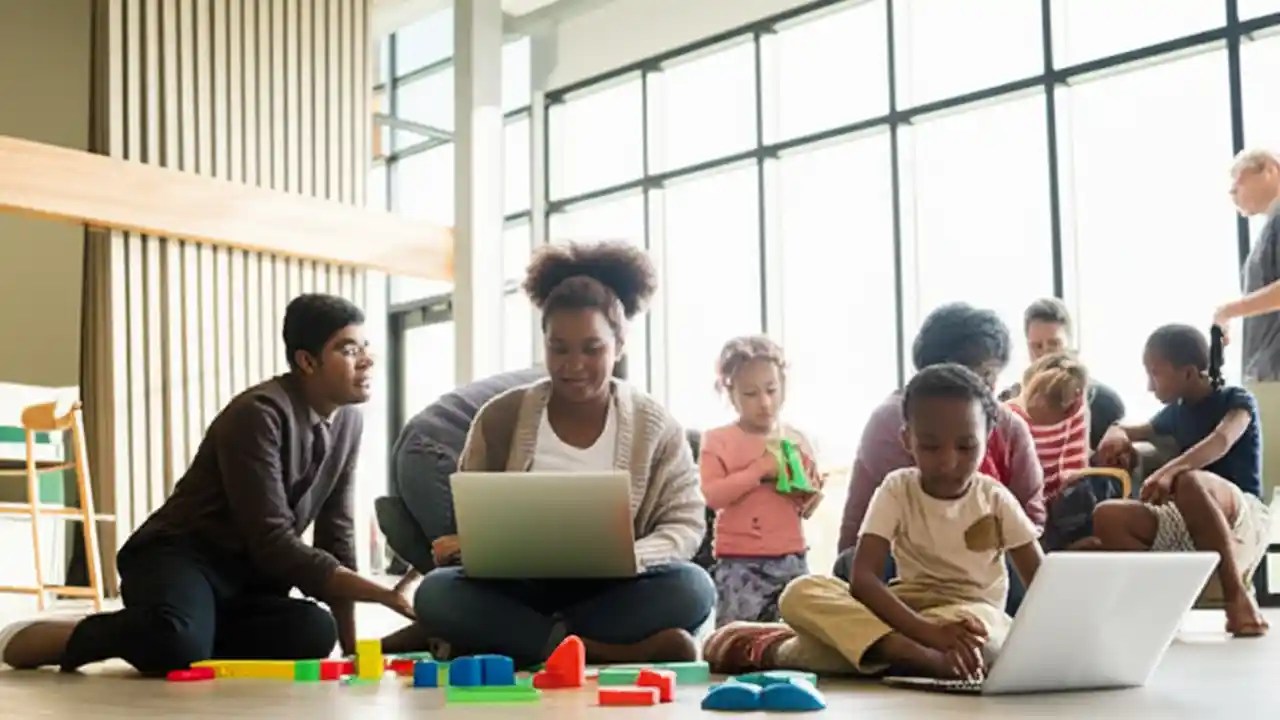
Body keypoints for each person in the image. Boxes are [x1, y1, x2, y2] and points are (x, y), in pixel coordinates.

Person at [0, 294, 414, 674]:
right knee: (177, 643)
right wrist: (382, 593)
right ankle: (96, 632)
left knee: (313, 633)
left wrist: (349, 644)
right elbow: (272, 540)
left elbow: (335, 534)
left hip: (247, 579)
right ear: (307, 361)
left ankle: (185, 625)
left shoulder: (349, 422)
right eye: (348, 348)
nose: (367, 360)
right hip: (180, 558)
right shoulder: (259, 414)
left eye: (365, 346)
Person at [399, 241, 715, 668]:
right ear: (544, 343)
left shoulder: (654, 423)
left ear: (618, 345)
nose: (574, 364)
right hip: (521, 586)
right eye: (559, 347)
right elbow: (477, 513)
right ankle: (597, 649)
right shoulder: (502, 417)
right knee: (437, 592)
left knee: (693, 588)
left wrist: (632, 557)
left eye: (592, 348)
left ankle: (520, 640)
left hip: (616, 588)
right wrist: (467, 546)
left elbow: (685, 522)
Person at [702, 364, 1043, 678]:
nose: (948, 461)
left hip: (969, 617)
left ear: (988, 439)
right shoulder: (898, 487)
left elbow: (1042, 581)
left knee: (987, 645)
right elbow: (863, 579)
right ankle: (911, 654)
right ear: (907, 440)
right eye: (930, 446)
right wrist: (925, 636)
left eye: (966, 447)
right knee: (800, 591)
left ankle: (776, 649)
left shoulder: (994, 498)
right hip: (905, 612)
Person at [1084, 324, 1269, 637]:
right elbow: (1131, 430)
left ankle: (1237, 598)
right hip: (1190, 517)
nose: (1148, 385)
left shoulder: (1236, 400)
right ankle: (1163, 607)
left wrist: (1171, 470)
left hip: (1243, 516)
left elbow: (1221, 440)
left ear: (1187, 373)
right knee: (1107, 515)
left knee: (1189, 482)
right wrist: (1116, 431)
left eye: (1155, 373)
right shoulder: (1174, 413)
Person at [837, 303, 1046, 558]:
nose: (989, 388)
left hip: (989, 565)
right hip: (900, 559)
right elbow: (917, 519)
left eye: (991, 376)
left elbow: (1031, 518)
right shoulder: (893, 419)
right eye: (981, 375)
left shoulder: (1008, 426)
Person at [700, 335, 822, 626]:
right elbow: (712, 495)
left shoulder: (795, 439)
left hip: (791, 555)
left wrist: (808, 490)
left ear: (784, 387)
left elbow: (805, 506)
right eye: (750, 394)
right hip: (739, 561)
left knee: (797, 632)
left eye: (771, 390)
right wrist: (758, 471)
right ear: (731, 394)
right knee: (737, 637)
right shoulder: (719, 440)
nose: (765, 403)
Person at [380, 367, 546, 576]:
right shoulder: (563, 393)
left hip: (416, 445)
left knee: (449, 565)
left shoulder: (552, 380)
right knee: (468, 572)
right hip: (439, 450)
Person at [1000, 298, 1125, 449]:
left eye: (1054, 344)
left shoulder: (1104, 402)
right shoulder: (1007, 402)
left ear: (1070, 345)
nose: (1046, 354)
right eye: (1037, 346)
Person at [1007, 352, 1090, 503]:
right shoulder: (1007, 418)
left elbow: (1076, 467)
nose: (1036, 404)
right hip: (1015, 503)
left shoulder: (1074, 408)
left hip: (1058, 502)